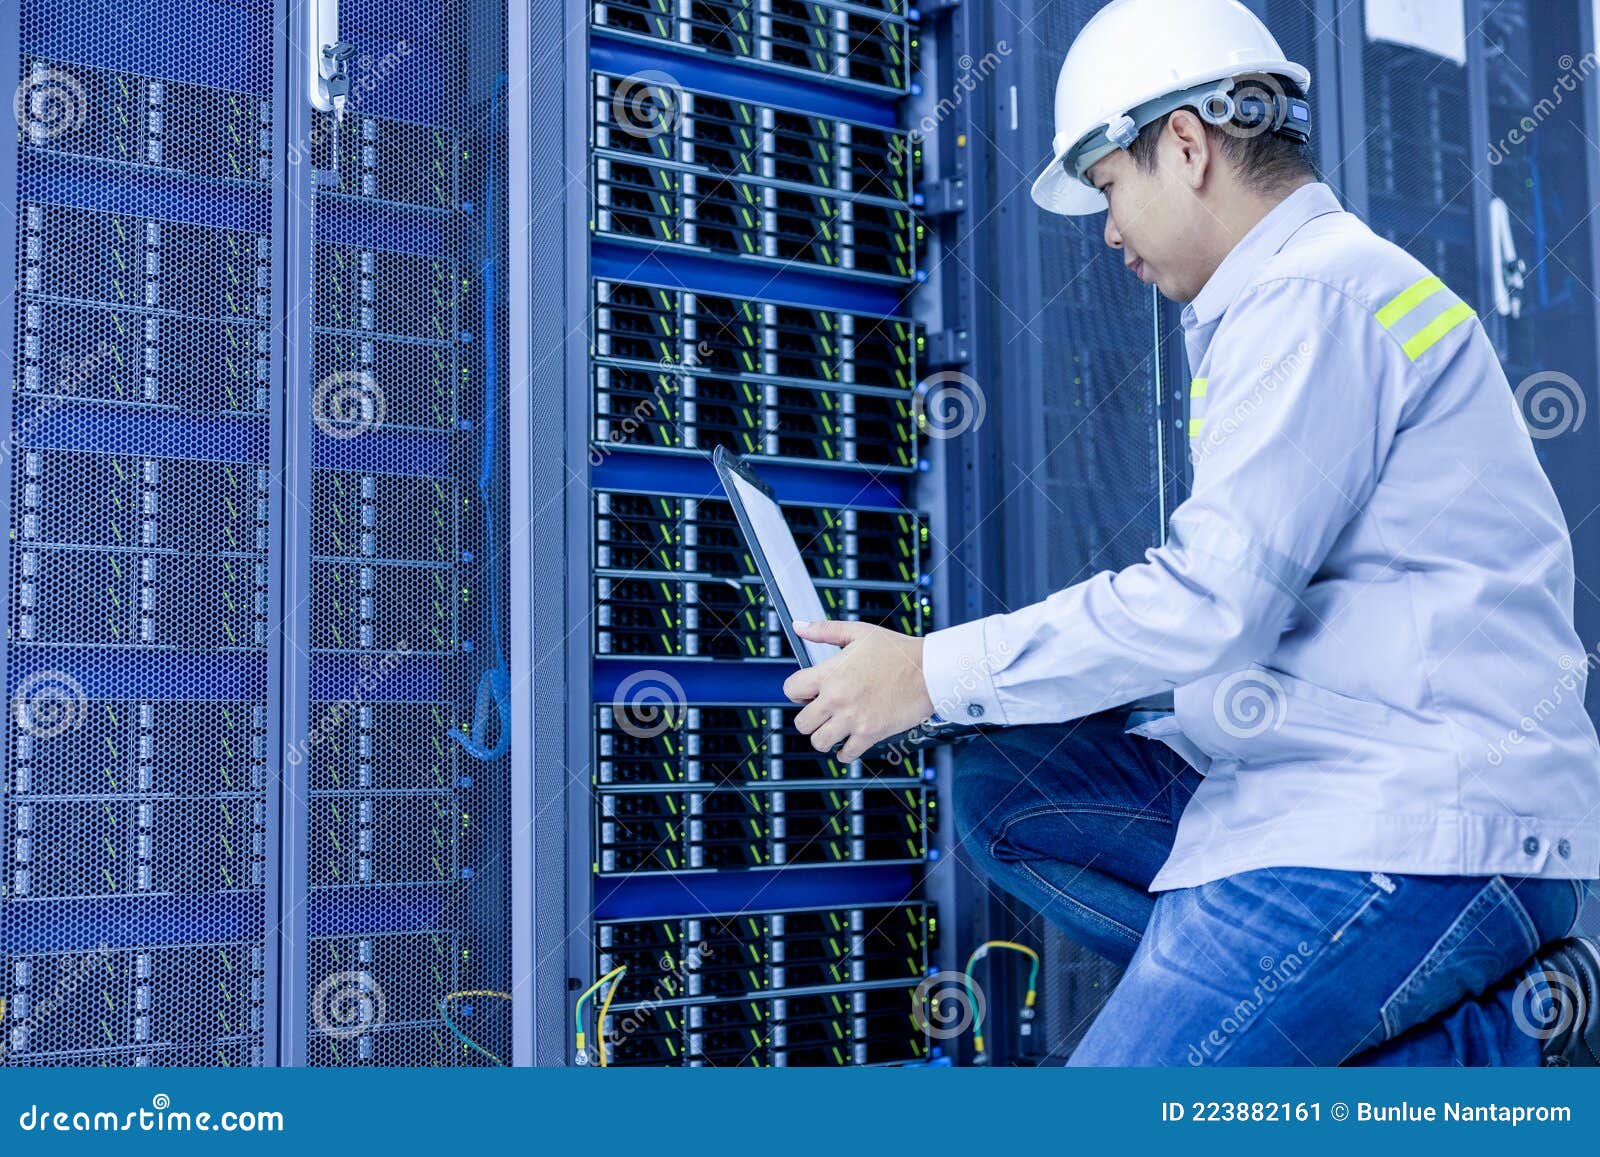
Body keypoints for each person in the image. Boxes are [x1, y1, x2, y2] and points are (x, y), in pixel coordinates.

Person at [781, 0, 1600, 1065]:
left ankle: (1518, 1045)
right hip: (1313, 784)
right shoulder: (1292, 298)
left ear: (1185, 144)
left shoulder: (1311, 299)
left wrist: (931, 671)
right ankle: (1285, 1027)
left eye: (1109, 188)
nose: (1109, 230)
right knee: (1005, 785)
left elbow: (1212, 602)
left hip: (1408, 821)